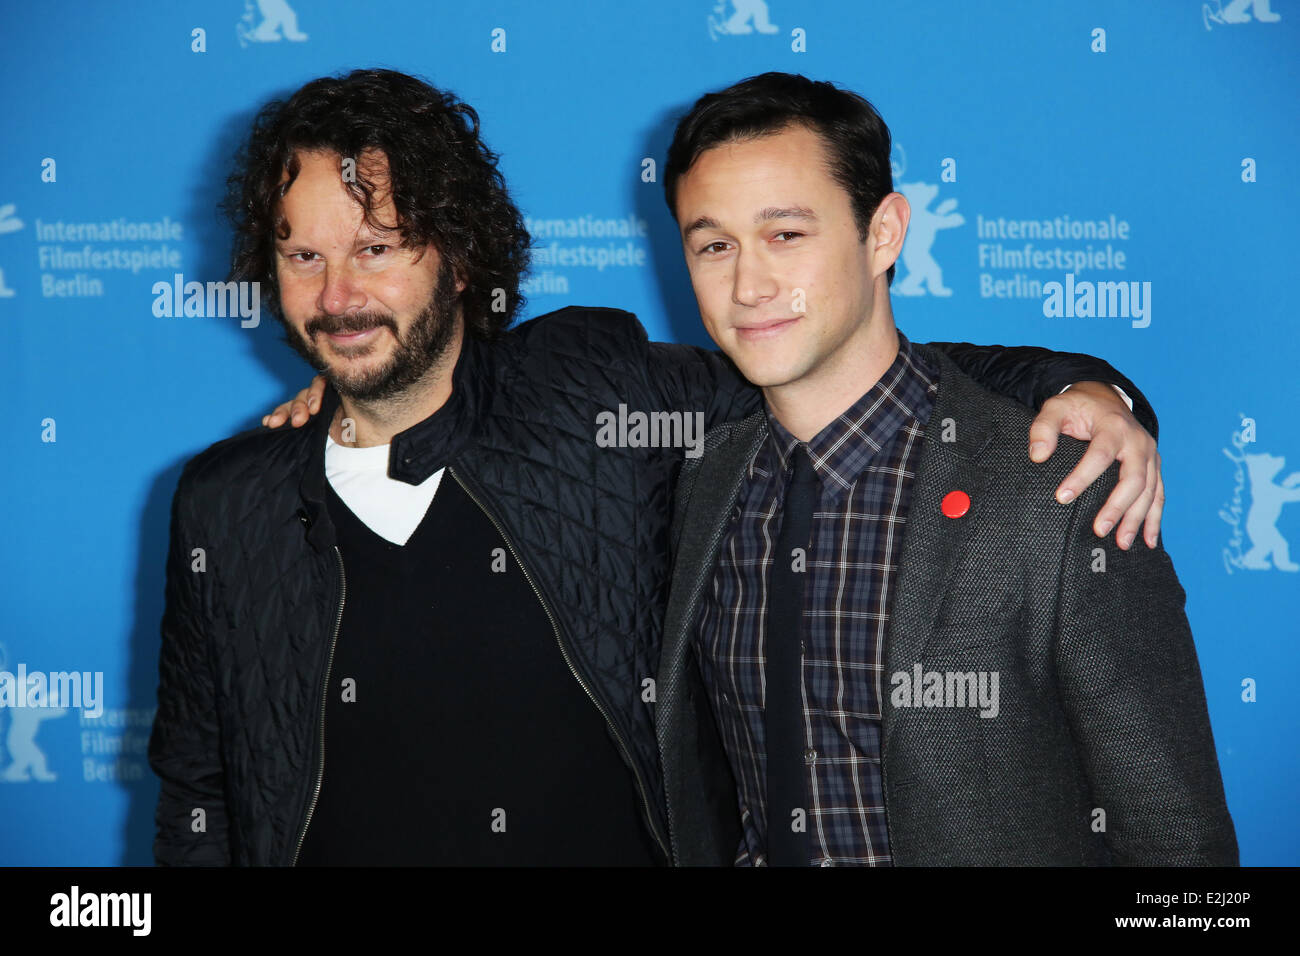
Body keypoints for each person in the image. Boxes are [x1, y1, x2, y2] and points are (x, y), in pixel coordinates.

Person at [151, 68, 1165, 866]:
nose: (338, 294)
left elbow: (853, 371)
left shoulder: (596, 393)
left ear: (456, 255)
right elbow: (199, 790)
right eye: (303, 256)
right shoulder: (226, 500)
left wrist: (1082, 386)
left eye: (377, 247)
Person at [656, 72, 1237, 866]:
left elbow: (1180, 846)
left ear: (884, 233)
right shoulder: (704, 482)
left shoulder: (1056, 490)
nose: (748, 286)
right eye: (714, 245)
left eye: (786, 234)